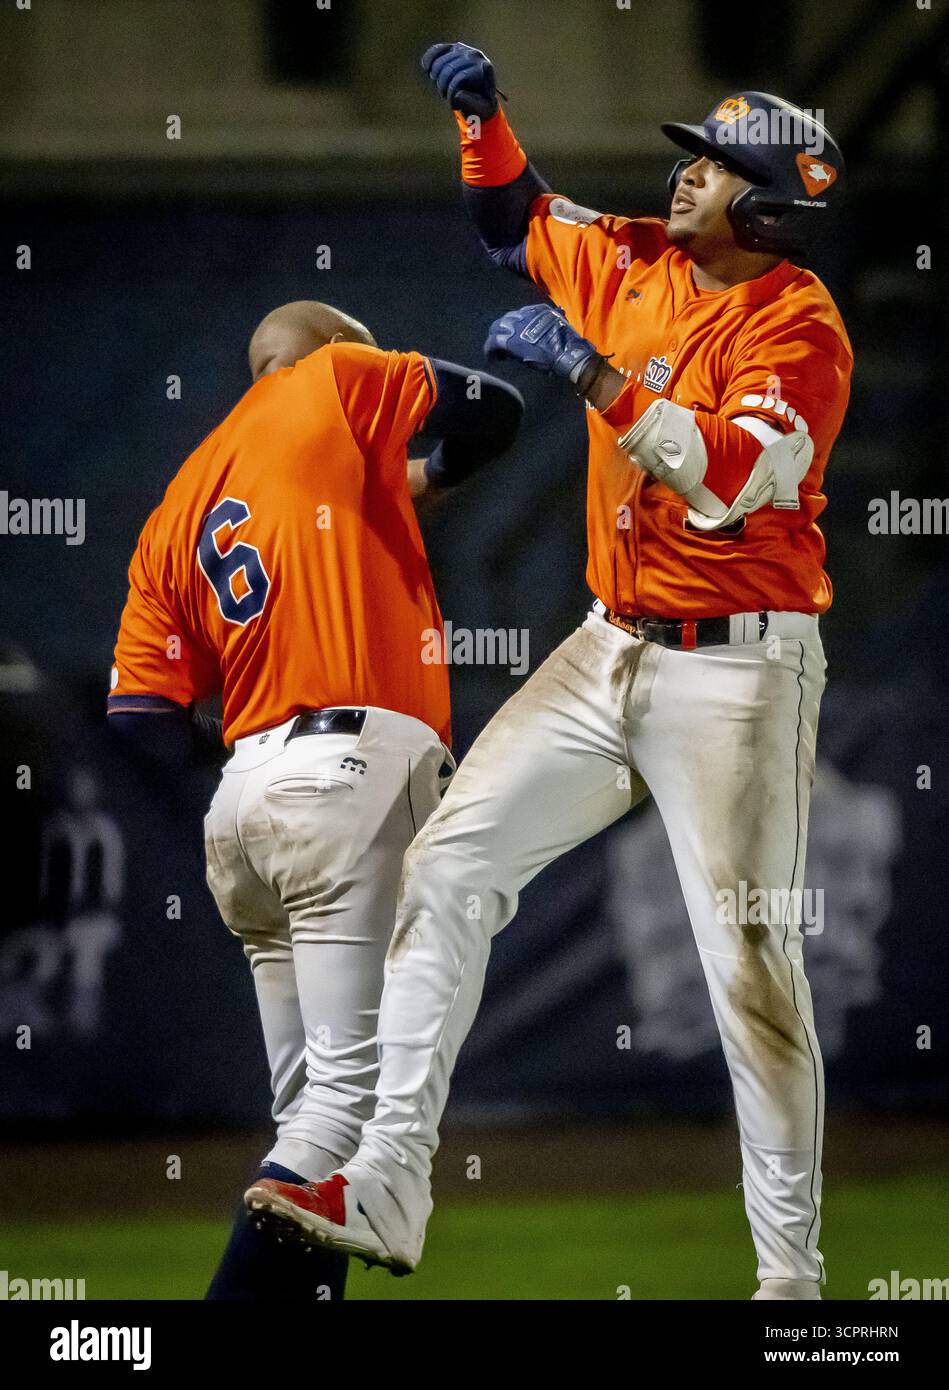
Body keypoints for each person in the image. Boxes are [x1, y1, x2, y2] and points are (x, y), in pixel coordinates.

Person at [246, 46, 853, 1302]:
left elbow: (728, 488)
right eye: (693, 156)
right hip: (608, 641)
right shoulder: (635, 254)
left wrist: (590, 374)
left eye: (717, 166)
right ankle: (386, 1182)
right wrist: (483, 120)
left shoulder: (801, 329)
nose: (686, 174)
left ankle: (788, 1286)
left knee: (750, 967)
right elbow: (512, 219)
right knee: (450, 862)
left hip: (738, 673)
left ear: (769, 206)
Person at [107, 298, 524, 1300]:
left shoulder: (176, 508)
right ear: (327, 353)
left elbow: (138, 716)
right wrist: (421, 469)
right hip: (350, 775)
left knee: (313, 1130)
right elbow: (496, 410)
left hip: (246, 805)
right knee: (350, 1114)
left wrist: (249, 763)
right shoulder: (335, 378)